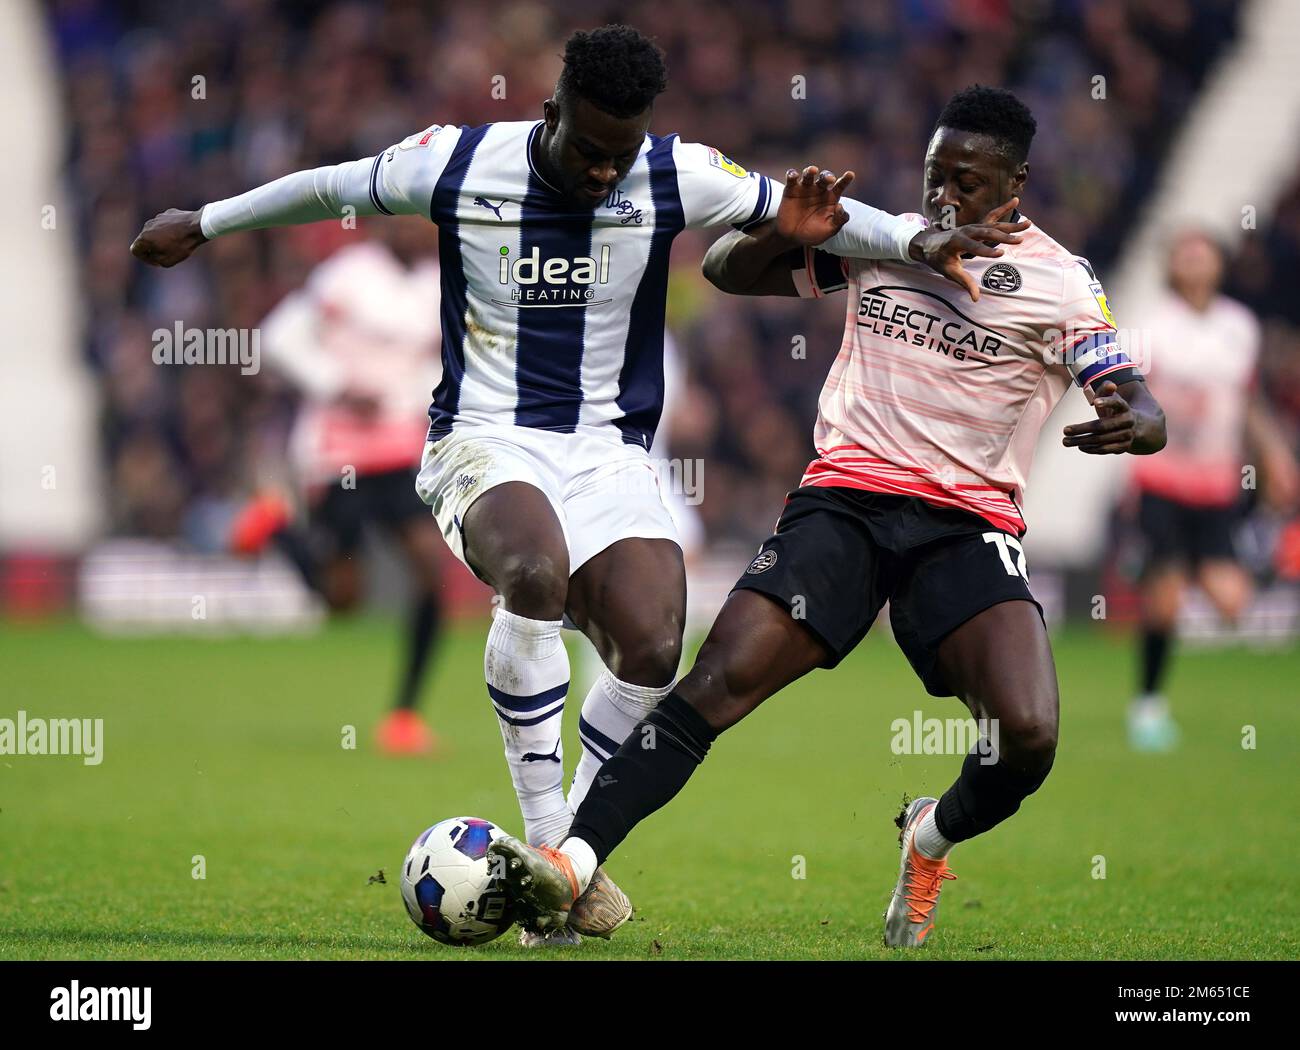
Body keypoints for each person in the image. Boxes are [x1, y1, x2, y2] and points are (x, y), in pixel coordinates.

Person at [130, 26, 1000, 946]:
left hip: (609, 453)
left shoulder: (674, 173)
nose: (600, 174)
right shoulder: (457, 161)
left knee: (653, 646)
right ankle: (551, 846)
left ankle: (562, 868)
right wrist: (208, 219)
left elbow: (802, 211)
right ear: (552, 114)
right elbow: (333, 183)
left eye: (617, 156)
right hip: (485, 438)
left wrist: (916, 238)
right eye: (587, 150)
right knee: (536, 576)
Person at [487, 86, 1168, 950]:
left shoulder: (1060, 283)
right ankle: (572, 867)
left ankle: (929, 837)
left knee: (1026, 737)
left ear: (1015, 184)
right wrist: (782, 233)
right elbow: (725, 272)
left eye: (966, 180)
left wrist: (1138, 422)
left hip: (964, 530)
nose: (943, 197)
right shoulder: (885, 240)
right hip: (842, 505)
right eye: (934, 175)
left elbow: (1137, 398)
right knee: (715, 684)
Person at [233, 219, 447, 756]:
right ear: (386, 223)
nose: (422, 229)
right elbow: (279, 337)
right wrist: (338, 384)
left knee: (431, 569)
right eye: (411, 217)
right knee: (342, 600)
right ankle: (276, 527)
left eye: (429, 220)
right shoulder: (347, 276)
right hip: (338, 450)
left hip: (401, 449)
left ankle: (403, 716)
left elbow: (437, 362)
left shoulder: (437, 284)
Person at [1127, 229, 1298, 751]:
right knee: (1166, 602)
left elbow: (1247, 402)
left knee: (1231, 600)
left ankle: (1172, 567)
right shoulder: (1151, 324)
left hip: (1218, 482)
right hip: (1161, 478)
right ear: (1172, 265)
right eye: (1186, 252)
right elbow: (1127, 391)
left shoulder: (1237, 326)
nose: (1196, 261)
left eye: (1204, 252)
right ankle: (1148, 706)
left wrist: (1275, 455)